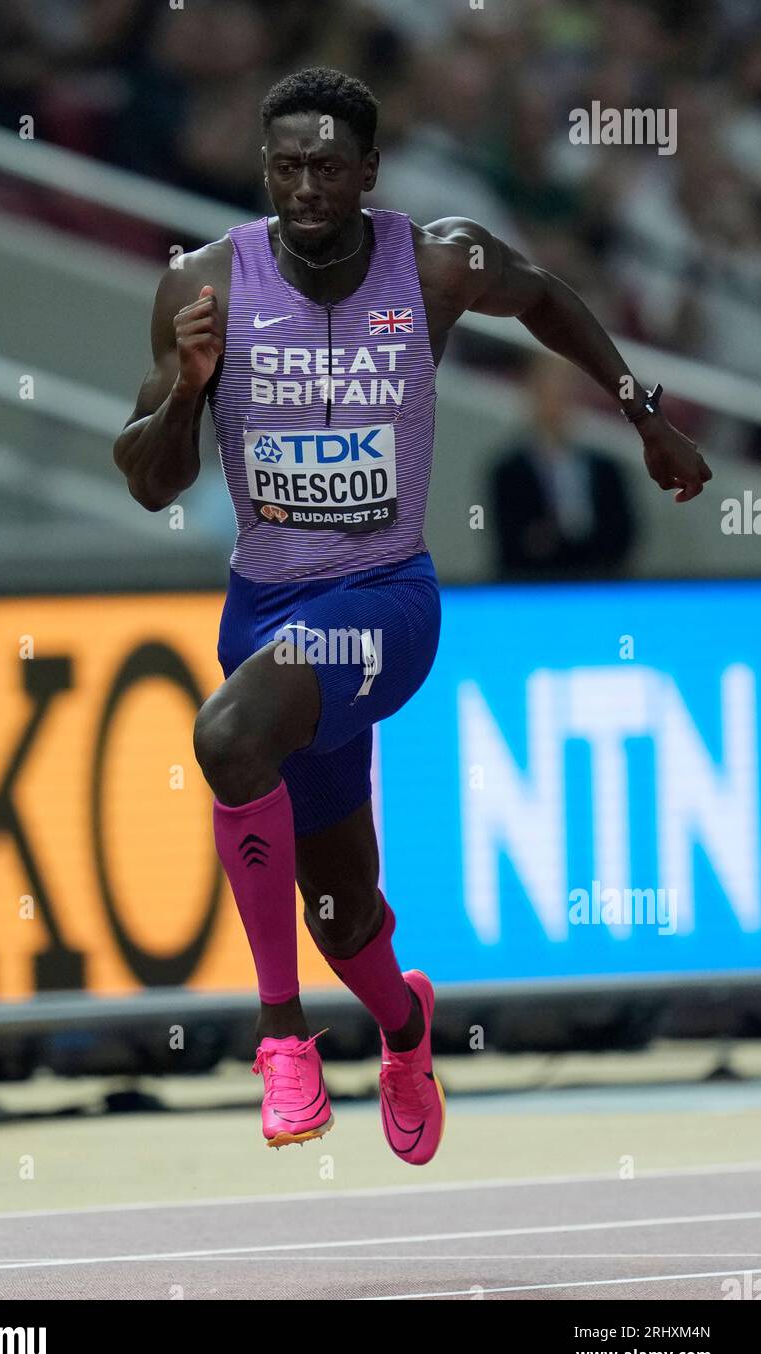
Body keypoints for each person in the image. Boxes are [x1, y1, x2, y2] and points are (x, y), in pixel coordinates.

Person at [113, 67, 710, 1165]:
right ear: (264, 169)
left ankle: (280, 1037)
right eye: (285, 166)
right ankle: (401, 1026)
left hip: (386, 602)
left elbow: (540, 294)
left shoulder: (435, 261)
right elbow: (147, 479)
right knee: (342, 912)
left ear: (369, 173)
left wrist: (643, 416)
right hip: (264, 611)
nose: (304, 187)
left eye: (327, 167)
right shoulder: (203, 285)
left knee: (228, 736)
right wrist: (190, 386)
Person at [491, 354, 637, 578]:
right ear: (533, 391)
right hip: (534, 589)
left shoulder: (607, 470)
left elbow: (622, 535)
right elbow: (509, 541)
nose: (562, 395)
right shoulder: (507, 472)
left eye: (569, 385)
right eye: (552, 385)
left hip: (596, 588)